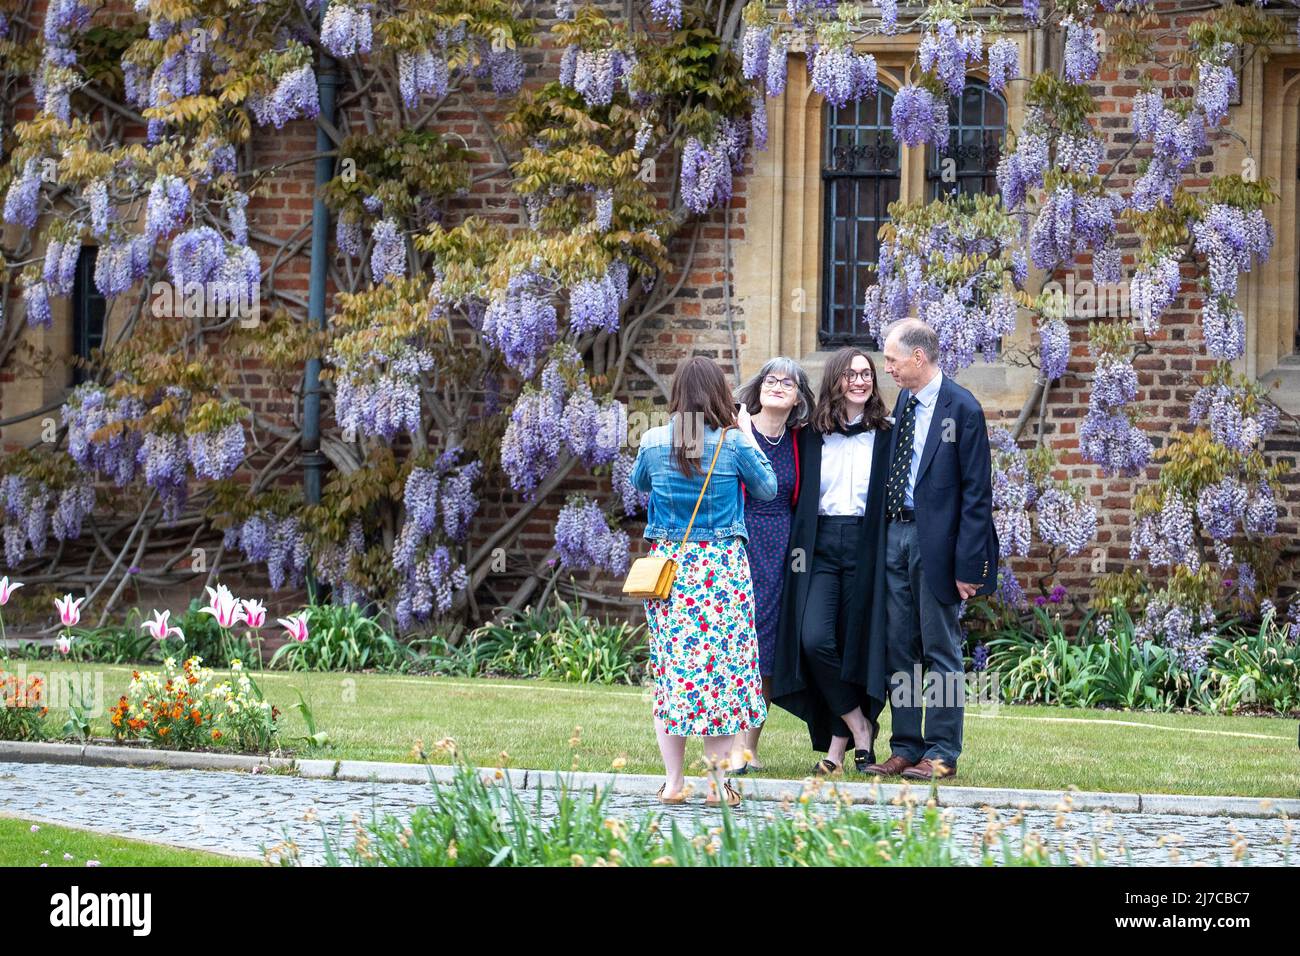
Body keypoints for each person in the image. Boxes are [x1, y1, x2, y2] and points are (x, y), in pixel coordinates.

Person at [630, 355, 778, 806]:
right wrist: (745, 432)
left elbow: (640, 485)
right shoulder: (733, 443)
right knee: (723, 676)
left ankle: (673, 783)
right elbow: (768, 488)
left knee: (673, 674)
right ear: (720, 395)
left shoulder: (654, 440)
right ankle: (717, 786)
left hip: (671, 571)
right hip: (721, 570)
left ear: (677, 393)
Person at [866, 319, 998, 782]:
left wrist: (969, 567)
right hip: (896, 537)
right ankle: (905, 747)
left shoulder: (962, 408)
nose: (888, 369)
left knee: (940, 648)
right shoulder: (903, 401)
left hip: (937, 545)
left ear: (918, 358)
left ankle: (942, 752)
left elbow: (977, 494)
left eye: (892, 360)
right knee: (898, 648)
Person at [771, 347, 891, 776]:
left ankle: (839, 750)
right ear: (836, 380)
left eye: (867, 374)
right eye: (852, 374)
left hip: (867, 546)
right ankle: (860, 724)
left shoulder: (888, 434)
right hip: (818, 547)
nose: (860, 381)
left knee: (853, 643)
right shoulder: (808, 435)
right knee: (814, 639)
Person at [728, 357, 816, 774]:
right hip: (737, 541)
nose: (778, 385)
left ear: (799, 397)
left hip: (782, 548)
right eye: (771, 379)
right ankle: (727, 741)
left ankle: (750, 745)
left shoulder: (799, 440)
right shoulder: (733, 429)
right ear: (759, 387)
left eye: (788, 382)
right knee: (734, 642)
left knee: (768, 647)